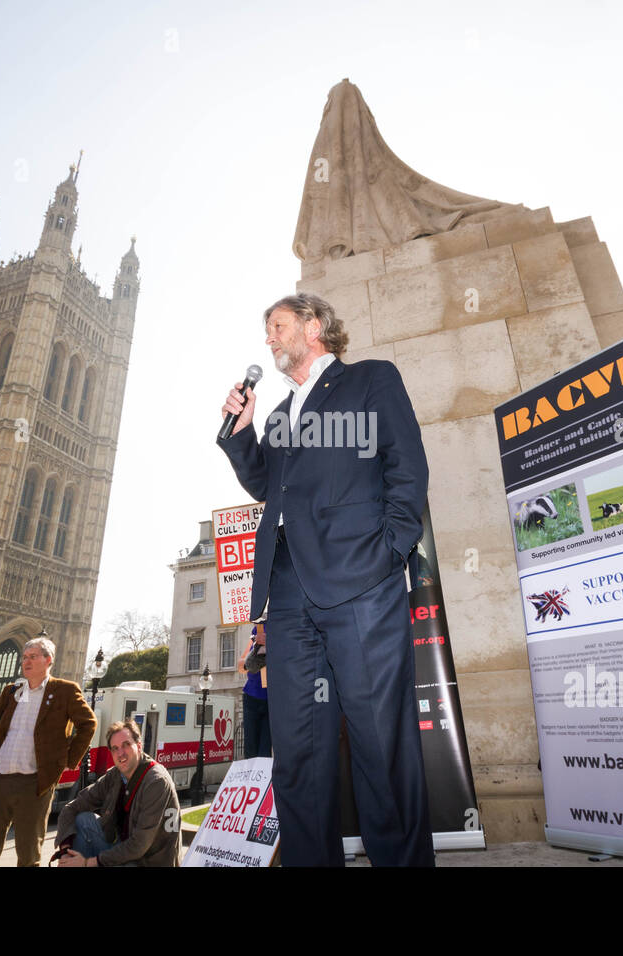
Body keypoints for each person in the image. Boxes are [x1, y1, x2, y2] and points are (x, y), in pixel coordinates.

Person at [217, 292, 433, 866]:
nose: (269, 338)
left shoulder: (370, 381)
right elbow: (267, 485)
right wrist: (241, 432)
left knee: (379, 746)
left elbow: (406, 466)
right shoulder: (283, 415)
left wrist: (389, 551)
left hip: (361, 583)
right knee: (300, 755)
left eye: (278, 326)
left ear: (313, 327)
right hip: (287, 596)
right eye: (267, 330)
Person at [0, 636, 96, 866]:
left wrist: (68, 760)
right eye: (24, 657)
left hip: (34, 783)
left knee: (28, 854)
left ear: (48, 660)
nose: (26, 662)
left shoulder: (64, 691)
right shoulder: (11, 691)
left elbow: (88, 723)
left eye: (33, 657)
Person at [51, 720, 180, 867]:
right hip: (125, 850)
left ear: (139, 746)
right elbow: (71, 808)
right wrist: (66, 850)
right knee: (84, 820)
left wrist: (88, 862)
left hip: (148, 860)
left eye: (126, 745)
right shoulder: (116, 775)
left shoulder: (156, 781)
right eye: (115, 748)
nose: (121, 753)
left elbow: (138, 846)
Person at [238, 623, 271, 759]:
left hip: (272, 699)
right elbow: (241, 666)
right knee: (250, 751)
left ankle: (264, 780)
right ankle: (250, 780)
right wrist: (255, 648)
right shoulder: (258, 628)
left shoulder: (284, 623)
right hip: (251, 696)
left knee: (265, 751)